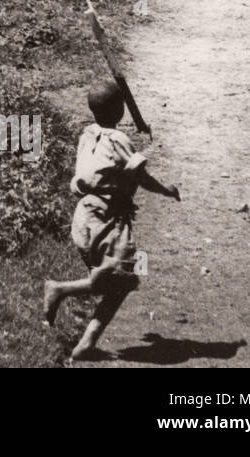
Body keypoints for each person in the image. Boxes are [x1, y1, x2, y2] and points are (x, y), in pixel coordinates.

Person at [42, 81, 180, 360]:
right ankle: (59, 289)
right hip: (106, 220)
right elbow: (141, 177)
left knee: (120, 281)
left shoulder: (87, 134)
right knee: (122, 278)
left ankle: (86, 343)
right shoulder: (118, 140)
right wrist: (166, 190)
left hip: (84, 215)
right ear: (120, 110)